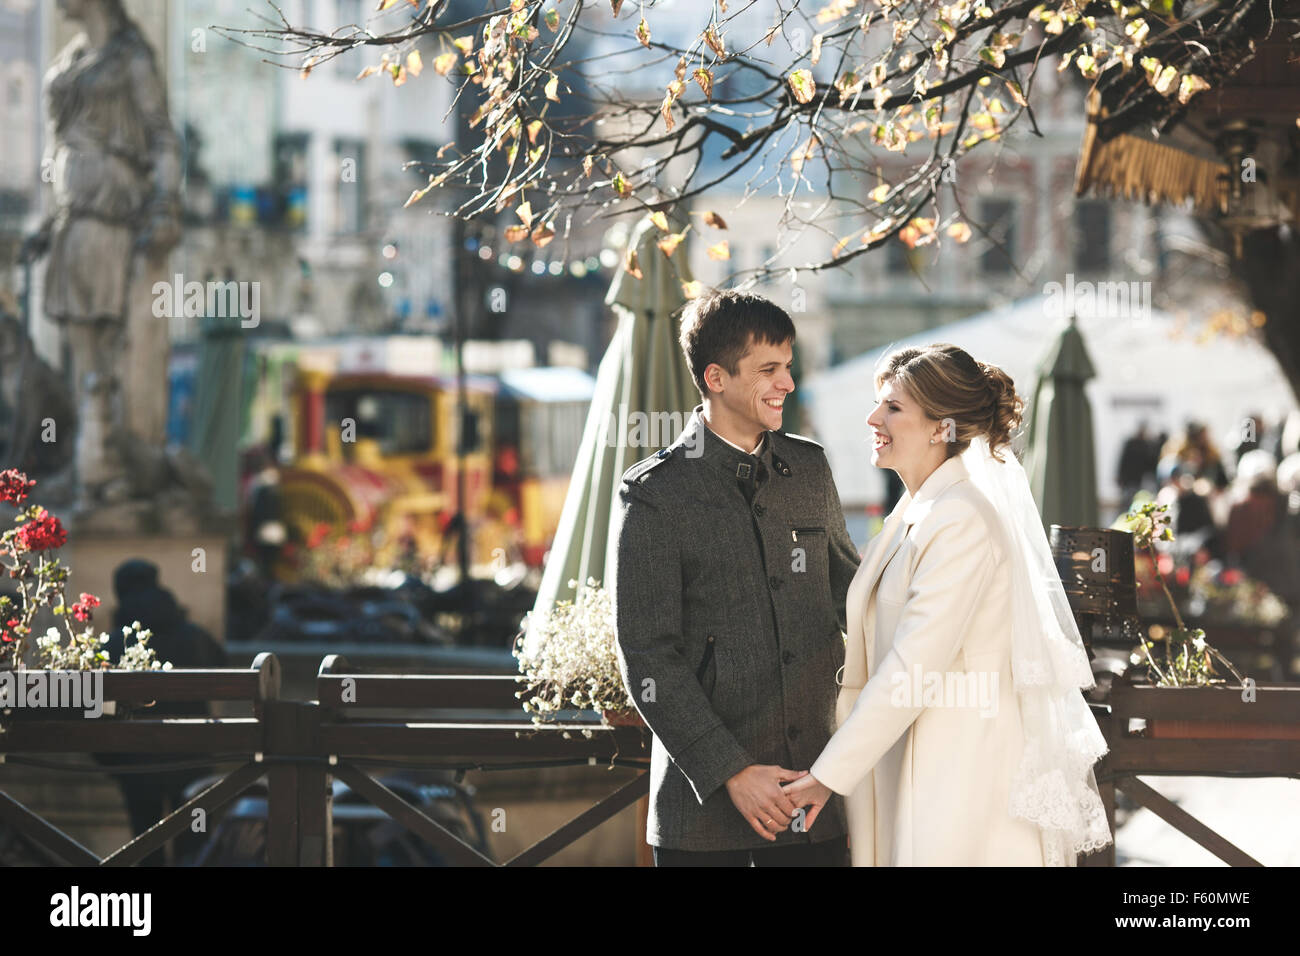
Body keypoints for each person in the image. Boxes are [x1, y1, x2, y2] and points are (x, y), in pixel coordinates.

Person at [781, 344, 1111, 866]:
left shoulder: (961, 519)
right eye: (877, 403)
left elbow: (913, 666)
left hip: (956, 776)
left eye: (893, 407)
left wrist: (827, 775)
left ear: (941, 427)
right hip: (915, 762)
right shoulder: (919, 508)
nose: (873, 418)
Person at [612, 290, 860, 866]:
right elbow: (647, 654)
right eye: (769, 369)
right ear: (716, 377)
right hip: (700, 820)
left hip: (811, 803)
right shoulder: (656, 494)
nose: (787, 384)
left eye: (788, 366)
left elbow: (854, 599)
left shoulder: (809, 469)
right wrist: (730, 771)